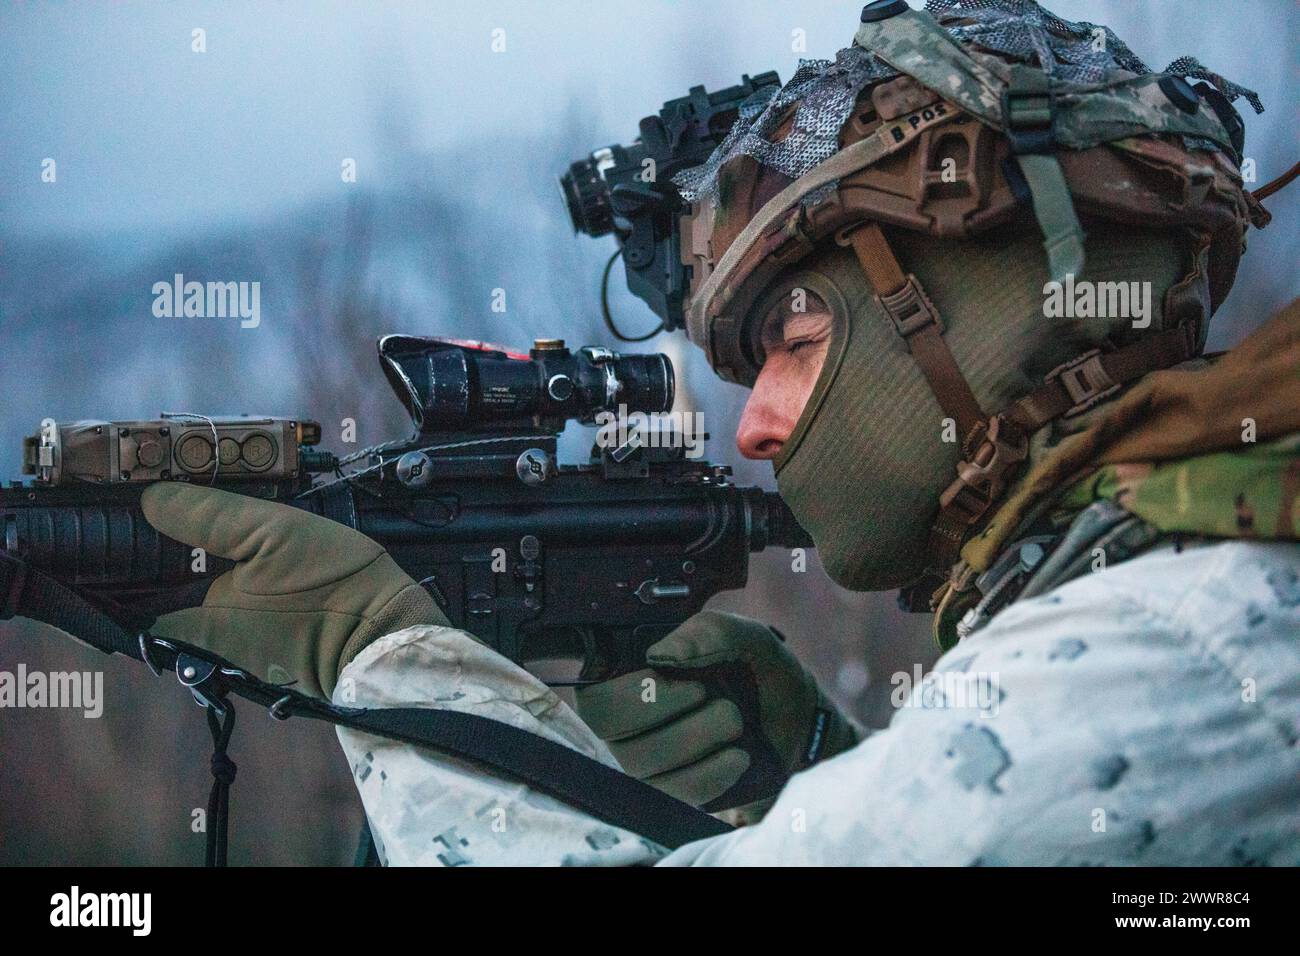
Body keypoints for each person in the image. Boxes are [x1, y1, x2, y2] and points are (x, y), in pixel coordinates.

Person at [139, 0, 1299, 865]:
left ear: (987, 307)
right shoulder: (1188, 578)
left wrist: (391, 664)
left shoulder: (1169, 640)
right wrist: (825, 767)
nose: (755, 428)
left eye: (795, 344)